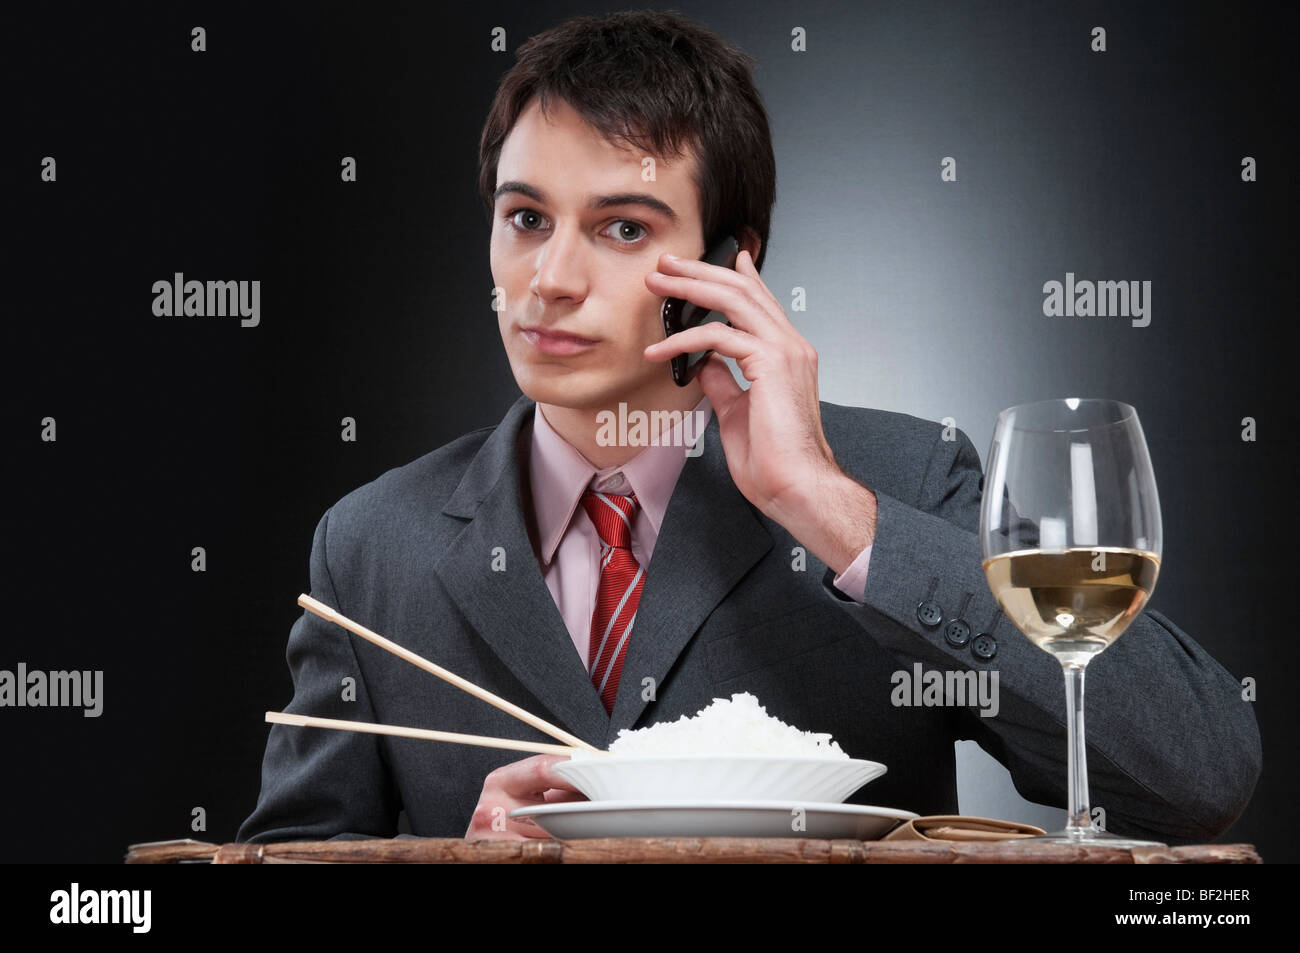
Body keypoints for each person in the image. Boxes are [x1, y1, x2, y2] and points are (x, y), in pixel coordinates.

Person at [238, 10, 1260, 846]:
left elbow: (1198, 774)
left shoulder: (899, 477)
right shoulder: (372, 543)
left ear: (730, 263)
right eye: (526, 218)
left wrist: (828, 509)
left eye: (622, 227)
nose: (549, 279)